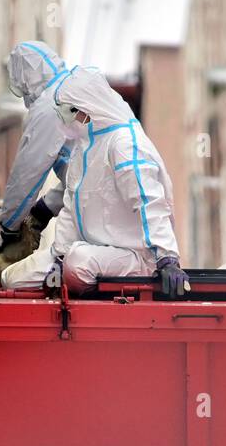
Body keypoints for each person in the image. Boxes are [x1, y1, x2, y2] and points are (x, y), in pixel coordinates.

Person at [49, 67, 189, 298]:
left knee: (77, 262)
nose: (65, 119)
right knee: (19, 276)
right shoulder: (85, 148)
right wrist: (58, 259)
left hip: (136, 257)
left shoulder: (123, 144)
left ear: (87, 108)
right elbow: (70, 209)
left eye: (67, 111)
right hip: (97, 252)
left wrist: (167, 258)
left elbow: (148, 203)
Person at [0, 41, 72, 254]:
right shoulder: (74, 87)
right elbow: (84, 176)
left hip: (102, 214)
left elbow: (27, 173)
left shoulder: (51, 105)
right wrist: (44, 210)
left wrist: (9, 227)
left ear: (26, 77)